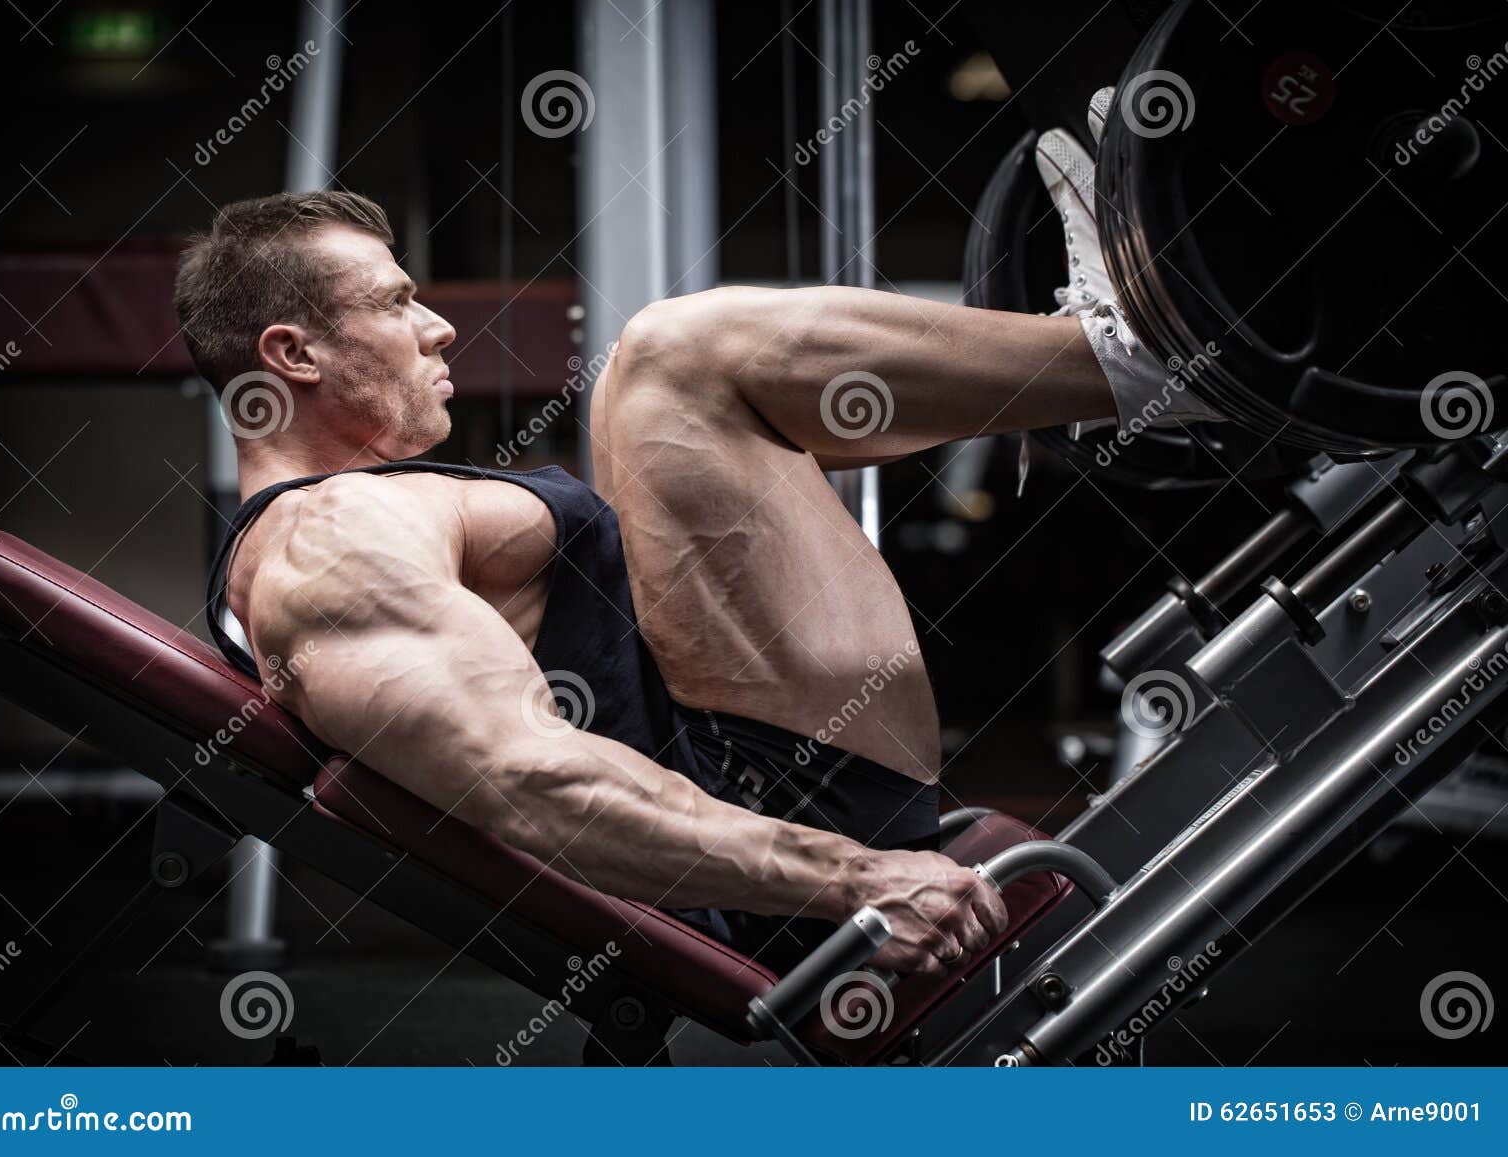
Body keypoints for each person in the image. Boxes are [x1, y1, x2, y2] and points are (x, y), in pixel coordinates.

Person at [187, 97, 1175, 975]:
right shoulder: (323, 544)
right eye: (398, 300)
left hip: (765, 796)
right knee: (673, 356)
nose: (439, 326)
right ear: (293, 352)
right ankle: (1127, 361)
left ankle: (1112, 372)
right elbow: (520, 775)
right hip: (771, 848)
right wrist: (853, 877)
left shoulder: (354, 516)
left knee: (642, 375)